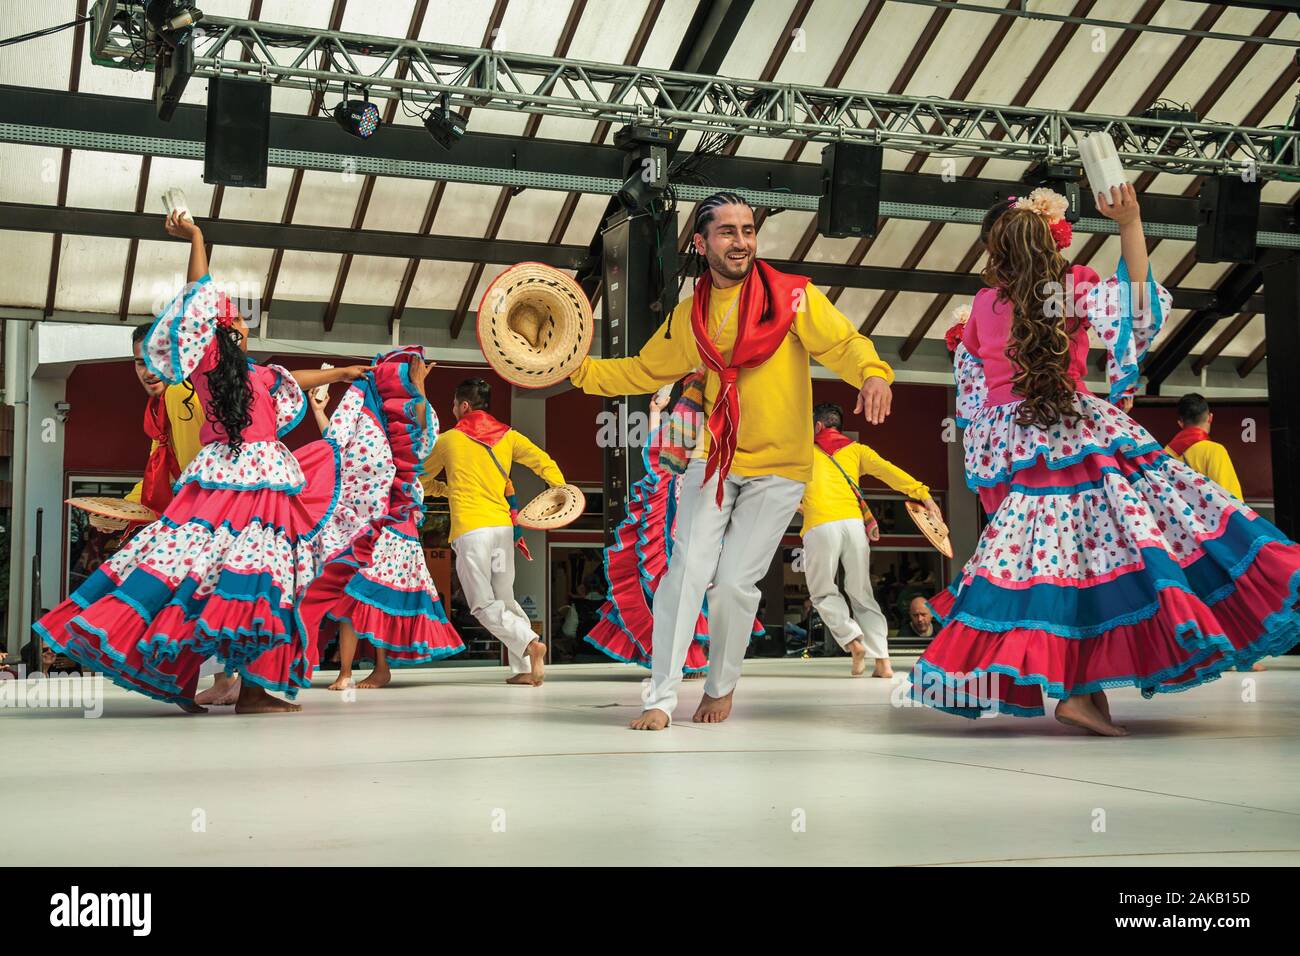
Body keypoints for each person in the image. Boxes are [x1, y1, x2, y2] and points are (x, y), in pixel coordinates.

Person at [912, 184, 1300, 735]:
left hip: (1006, 448)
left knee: (1056, 571)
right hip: (1069, 435)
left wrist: (986, 453)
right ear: (1055, 239)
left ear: (995, 249)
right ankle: (1076, 693)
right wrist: (1130, 224)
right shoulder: (1072, 287)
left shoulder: (982, 304)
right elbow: (1137, 310)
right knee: (1104, 559)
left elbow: (971, 388)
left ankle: (1081, 694)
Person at [570, 191, 894, 730]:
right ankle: (660, 695)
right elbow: (643, 371)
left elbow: (844, 344)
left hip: (781, 466)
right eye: (728, 232)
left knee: (735, 584)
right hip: (711, 456)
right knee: (684, 572)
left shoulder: (793, 297)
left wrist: (873, 373)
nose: (741, 241)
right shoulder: (689, 313)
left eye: (748, 230)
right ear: (701, 243)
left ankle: (720, 687)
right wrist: (578, 370)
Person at [33, 212, 374, 714]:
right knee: (202, 574)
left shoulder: (257, 375)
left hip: (263, 486)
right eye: (229, 321)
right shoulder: (211, 364)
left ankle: (250, 691)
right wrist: (196, 238)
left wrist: (344, 369)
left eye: (238, 322)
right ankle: (209, 682)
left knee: (255, 581)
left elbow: (292, 378)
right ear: (216, 332)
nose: (237, 325)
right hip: (232, 483)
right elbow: (199, 290)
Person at [298, 347, 465, 691]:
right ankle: (352, 670)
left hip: (392, 517)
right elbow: (336, 444)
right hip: (357, 518)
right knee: (352, 590)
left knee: (366, 593)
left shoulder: (409, 412)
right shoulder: (361, 409)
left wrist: (418, 388)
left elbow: (421, 437)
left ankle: (368, 669)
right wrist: (317, 410)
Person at [583, 371, 763, 679]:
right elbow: (661, 451)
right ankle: (680, 657)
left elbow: (663, 451)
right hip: (675, 507)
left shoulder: (715, 424)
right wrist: (656, 413)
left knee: (688, 582)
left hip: (693, 504)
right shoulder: (701, 425)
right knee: (674, 580)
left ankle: (690, 656)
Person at [420, 378, 562, 686]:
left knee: (482, 603)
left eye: (455, 404)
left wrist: (447, 490)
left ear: (465, 406)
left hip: (472, 532)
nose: (453, 409)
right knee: (505, 598)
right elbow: (542, 461)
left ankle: (529, 644)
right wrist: (560, 489)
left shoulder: (447, 440)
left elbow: (420, 479)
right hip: (501, 531)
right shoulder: (508, 436)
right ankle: (524, 668)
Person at [800, 402, 938, 678]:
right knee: (862, 593)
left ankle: (853, 641)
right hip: (854, 525)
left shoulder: (802, 451)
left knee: (822, 591)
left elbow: (781, 485)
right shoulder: (857, 450)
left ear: (817, 426)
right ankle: (883, 661)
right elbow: (889, 471)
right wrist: (923, 493)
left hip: (820, 524)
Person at [1164, 393, 1243, 500]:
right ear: (1210, 418)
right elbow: (1232, 500)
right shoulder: (1215, 451)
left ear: (1181, 423)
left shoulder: (1166, 453)